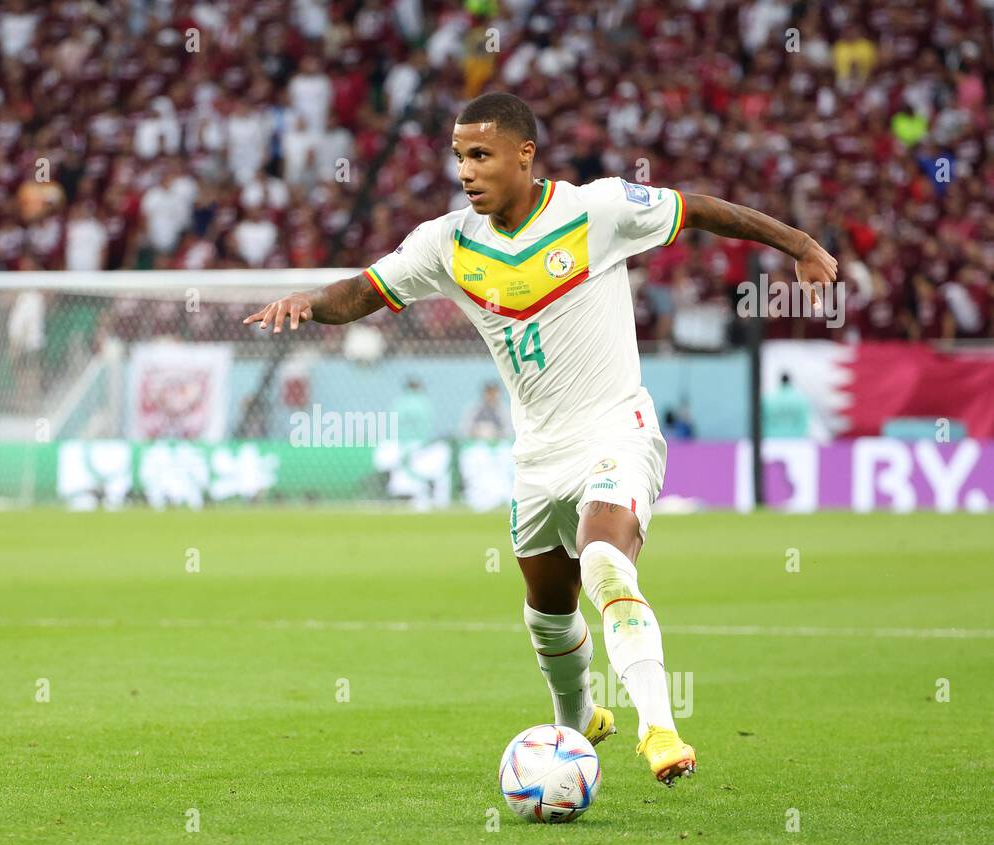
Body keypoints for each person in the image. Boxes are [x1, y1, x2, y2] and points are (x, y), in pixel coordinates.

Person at [244, 92, 838, 786]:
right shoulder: (448, 244)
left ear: (525, 155)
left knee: (605, 564)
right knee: (549, 613)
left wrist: (800, 245)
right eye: (459, 156)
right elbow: (365, 291)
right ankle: (580, 717)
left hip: (618, 427)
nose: (466, 171)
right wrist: (308, 303)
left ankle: (659, 728)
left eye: (481, 154)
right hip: (538, 455)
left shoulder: (597, 211)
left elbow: (700, 208)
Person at [391, 377, 434, 444]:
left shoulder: (398, 402)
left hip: (398, 442)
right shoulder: (424, 403)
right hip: (419, 442)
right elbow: (427, 426)